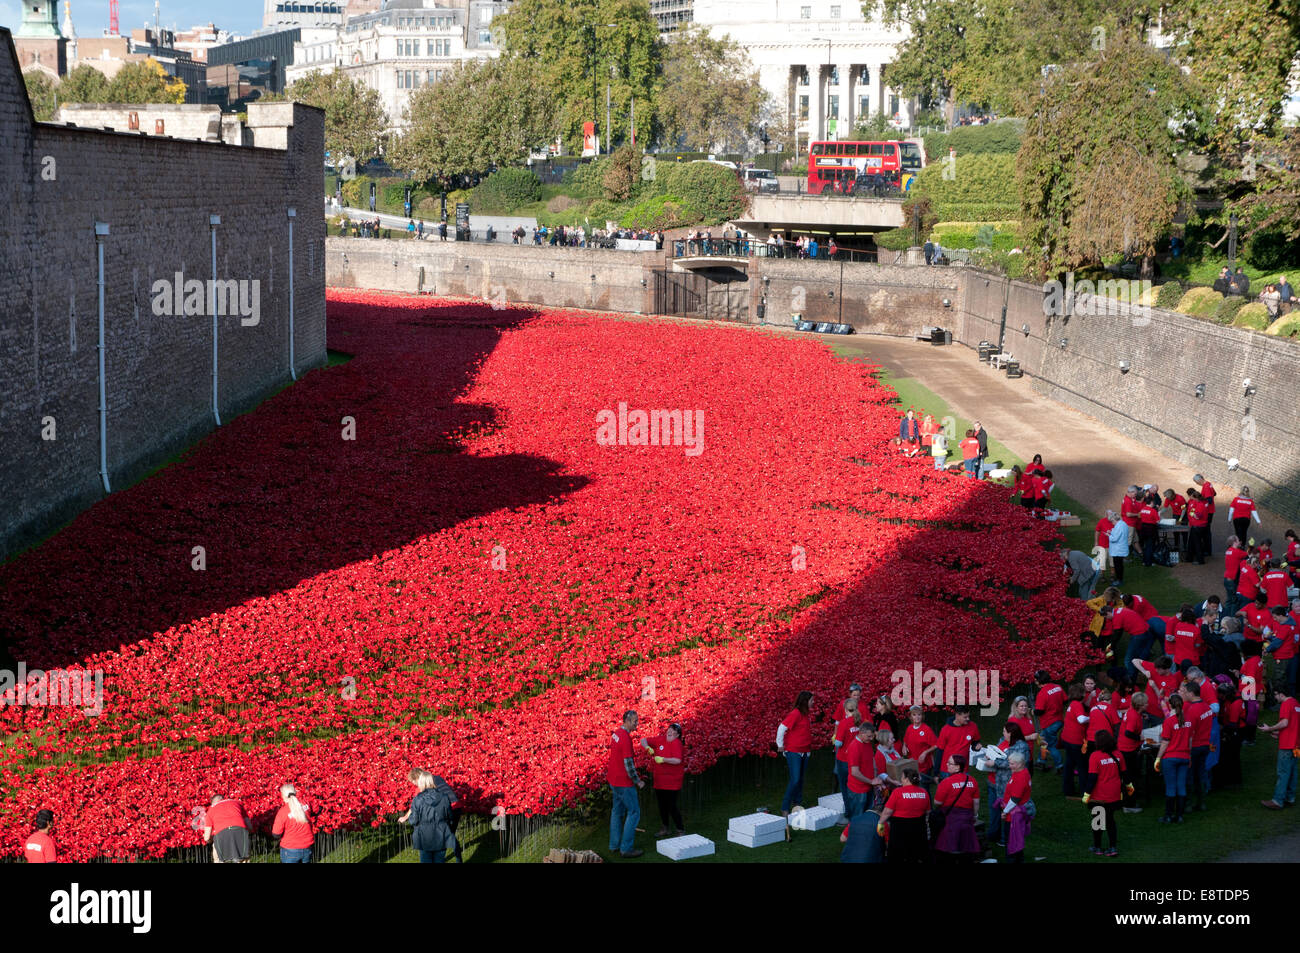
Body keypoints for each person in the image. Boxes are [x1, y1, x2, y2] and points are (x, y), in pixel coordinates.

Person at [1083, 730, 1128, 857]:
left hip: (1099, 796)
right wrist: (1129, 786)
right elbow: (1125, 773)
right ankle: (1113, 848)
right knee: (1110, 821)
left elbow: (1092, 778)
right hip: (1114, 794)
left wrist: (1087, 794)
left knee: (1098, 821)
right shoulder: (1118, 754)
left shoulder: (1095, 756)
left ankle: (1097, 847)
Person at [608, 709, 645, 857]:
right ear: (627, 721)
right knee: (634, 812)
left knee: (617, 812)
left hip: (613, 780)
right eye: (635, 721)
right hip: (624, 783)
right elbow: (628, 764)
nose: (637, 724)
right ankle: (626, 848)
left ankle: (614, 845)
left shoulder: (616, 733)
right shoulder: (625, 738)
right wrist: (638, 781)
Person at [987, 722, 1030, 847]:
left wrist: (994, 762)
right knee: (994, 810)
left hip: (1006, 785)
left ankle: (1005, 839)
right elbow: (994, 750)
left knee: (1007, 812)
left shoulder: (1021, 747)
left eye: (1005, 731)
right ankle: (994, 834)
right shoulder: (1002, 740)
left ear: (1011, 733)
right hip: (993, 781)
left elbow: (1015, 762)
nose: (1003, 733)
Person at [399, 770, 456, 863]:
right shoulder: (444, 797)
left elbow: (413, 820)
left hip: (424, 836)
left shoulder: (418, 799)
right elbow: (450, 816)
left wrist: (410, 820)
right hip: (441, 834)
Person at [876, 768, 929, 863]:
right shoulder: (924, 792)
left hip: (900, 829)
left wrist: (880, 823)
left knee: (897, 855)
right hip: (918, 829)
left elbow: (887, 812)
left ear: (907, 780)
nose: (901, 779)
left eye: (902, 777)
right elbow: (927, 811)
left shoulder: (897, 792)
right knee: (913, 855)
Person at [933, 754, 980, 861]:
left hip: (951, 819)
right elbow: (976, 802)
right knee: (967, 846)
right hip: (967, 819)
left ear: (958, 767)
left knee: (949, 846)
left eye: (950, 763)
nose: (947, 764)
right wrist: (975, 815)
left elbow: (937, 802)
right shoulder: (972, 780)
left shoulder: (946, 782)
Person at [1259, 688, 1298, 809]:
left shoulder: (1286, 704)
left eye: (1276, 695)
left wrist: (1269, 728)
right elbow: (1293, 725)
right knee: (1292, 772)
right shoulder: (1296, 704)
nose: (1275, 698)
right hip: (1296, 745)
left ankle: (1277, 801)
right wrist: (1278, 734)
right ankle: (1290, 797)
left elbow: (1285, 723)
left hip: (1287, 745)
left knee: (1283, 772)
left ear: (1281, 694)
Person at [777, 691, 814, 815]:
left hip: (804, 751)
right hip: (794, 751)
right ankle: (784, 806)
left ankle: (797, 803)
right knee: (795, 779)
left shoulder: (806, 714)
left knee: (800, 779)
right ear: (805, 701)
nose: (813, 702)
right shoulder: (796, 713)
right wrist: (780, 745)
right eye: (811, 700)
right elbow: (782, 728)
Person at [1155, 693, 1190, 822]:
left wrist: (1158, 758)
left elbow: (1165, 742)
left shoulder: (1169, 721)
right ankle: (1179, 815)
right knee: (1181, 786)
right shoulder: (1187, 720)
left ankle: (1168, 816)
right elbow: (1190, 739)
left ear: (1170, 705)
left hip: (1170, 758)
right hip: (1184, 756)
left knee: (1170, 787)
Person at [996, 752, 1032, 862]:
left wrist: (1005, 811)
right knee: (1016, 840)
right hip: (1015, 814)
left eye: (1012, 764)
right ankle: (1019, 859)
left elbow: (1015, 799)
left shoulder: (1020, 777)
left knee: (1011, 841)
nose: (1009, 765)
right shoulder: (1021, 772)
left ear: (1020, 764)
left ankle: (1013, 860)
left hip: (1013, 816)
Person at [845, 722, 884, 819]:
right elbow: (855, 772)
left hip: (868, 786)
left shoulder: (867, 743)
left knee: (868, 815)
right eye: (869, 736)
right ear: (861, 733)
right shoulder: (854, 747)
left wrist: (875, 779)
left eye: (872, 737)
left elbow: (872, 760)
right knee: (857, 817)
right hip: (857, 790)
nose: (871, 739)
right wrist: (871, 781)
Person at [271, 783, 315, 863]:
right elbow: (318, 810)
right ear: (295, 792)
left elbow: (276, 834)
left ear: (283, 796)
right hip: (307, 847)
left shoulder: (283, 812)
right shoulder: (306, 804)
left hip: (290, 849)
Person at [202, 794, 250, 864]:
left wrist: (211, 840)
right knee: (243, 859)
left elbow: (206, 838)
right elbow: (250, 827)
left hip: (221, 834)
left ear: (213, 803)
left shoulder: (211, 810)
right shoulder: (237, 804)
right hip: (240, 831)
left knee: (218, 859)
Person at [1061, 683, 1089, 796]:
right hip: (1075, 741)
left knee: (1069, 764)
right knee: (1082, 766)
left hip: (1067, 739)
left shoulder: (1072, 704)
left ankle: (1068, 790)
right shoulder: (1077, 704)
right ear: (1081, 694)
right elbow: (1081, 719)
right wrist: (1093, 717)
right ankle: (1084, 791)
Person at [1034, 672, 1065, 771]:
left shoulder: (1042, 693)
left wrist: (1032, 711)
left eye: (1036, 679)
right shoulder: (1058, 687)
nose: (1035, 681)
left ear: (1039, 681)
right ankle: (1041, 762)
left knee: (1050, 745)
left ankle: (1060, 766)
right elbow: (1065, 700)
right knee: (1043, 742)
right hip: (1059, 720)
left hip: (1049, 723)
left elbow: (1039, 711)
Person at [902, 704, 941, 784]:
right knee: (914, 787)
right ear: (911, 717)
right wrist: (904, 746)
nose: (917, 717)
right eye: (914, 715)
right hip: (912, 764)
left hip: (924, 765)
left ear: (922, 716)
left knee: (924, 788)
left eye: (919, 714)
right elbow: (905, 740)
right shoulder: (909, 728)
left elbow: (936, 744)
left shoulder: (926, 729)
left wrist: (925, 752)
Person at [832, 698, 861, 795]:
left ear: (845, 710)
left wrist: (834, 740)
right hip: (856, 757)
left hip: (844, 758)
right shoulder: (859, 721)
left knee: (844, 785)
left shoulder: (844, 723)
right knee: (855, 782)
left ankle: (848, 806)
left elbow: (838, 743)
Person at [1193, 474, 1217, 552]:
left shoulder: (1206, 487)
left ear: (1200, 480)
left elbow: (1209, 500)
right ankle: (1207, 549)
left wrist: (1201, 502)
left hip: (1208, 512)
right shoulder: (1208, 484)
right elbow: (1214, 493)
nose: (1197, 484)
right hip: (1210, 510)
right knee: (1207, 530)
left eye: (1197, 482)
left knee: (1206, 531)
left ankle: (1207, 549)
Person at [1108, 517, 1131, 585]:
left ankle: (1119, 580)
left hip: (1118, 550)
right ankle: (1119, 578)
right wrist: (1111, 531)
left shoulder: (1119, 526)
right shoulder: (1123, 524)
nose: (1112, 523)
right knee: (1119, 565)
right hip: (1120, 548)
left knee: (1118, 565)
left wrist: (1108, 535)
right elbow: (1118, 534)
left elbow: (1115, 538)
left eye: (1112, 521)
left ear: (1115, 520)